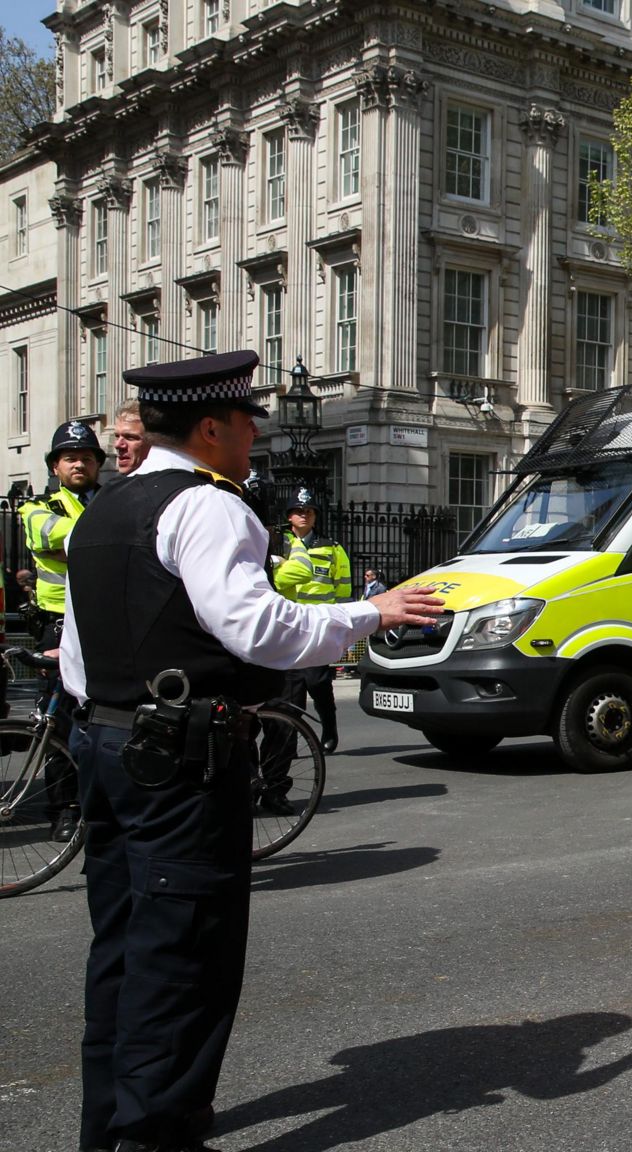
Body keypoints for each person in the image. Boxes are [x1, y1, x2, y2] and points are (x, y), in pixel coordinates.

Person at [61, 349, 442, 1152]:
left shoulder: (103, 509)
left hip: (107, 747)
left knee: (123, 953)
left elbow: (77, 659)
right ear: (209, 427)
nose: (255, 430)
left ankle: (108, 1130)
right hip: (181, 766)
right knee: (183, 964)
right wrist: (371, 613)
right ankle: (155, 1137)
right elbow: (259, 630)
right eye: (244, 418)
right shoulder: (208, 507)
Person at [21, 419, 103, 841]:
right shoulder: (38, 507)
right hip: (59, 625)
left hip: (105, 622)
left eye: (87, 457)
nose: (78, 464)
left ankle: (101, 804)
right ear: (55, 466)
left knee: (109, 717)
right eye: (70, 457)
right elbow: (56, 537)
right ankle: (64, 810)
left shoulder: (110, 500)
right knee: (60, 723)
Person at [270, 485, 353, 757]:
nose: (304, 515)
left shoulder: (332, 548)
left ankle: (329, 726)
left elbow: (342, 591)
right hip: (288, 624)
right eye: (298, 510)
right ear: (289, 516)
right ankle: (290, 740)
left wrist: (342, 630)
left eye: (309, 511)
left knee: (318, 683)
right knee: (290, 689)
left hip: (318, 625)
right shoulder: (278, 542)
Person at [109, 400, 150, 479]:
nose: (117, 445)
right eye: (117, 436)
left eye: (130, 437)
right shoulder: (111, 489)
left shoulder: (173, 488)